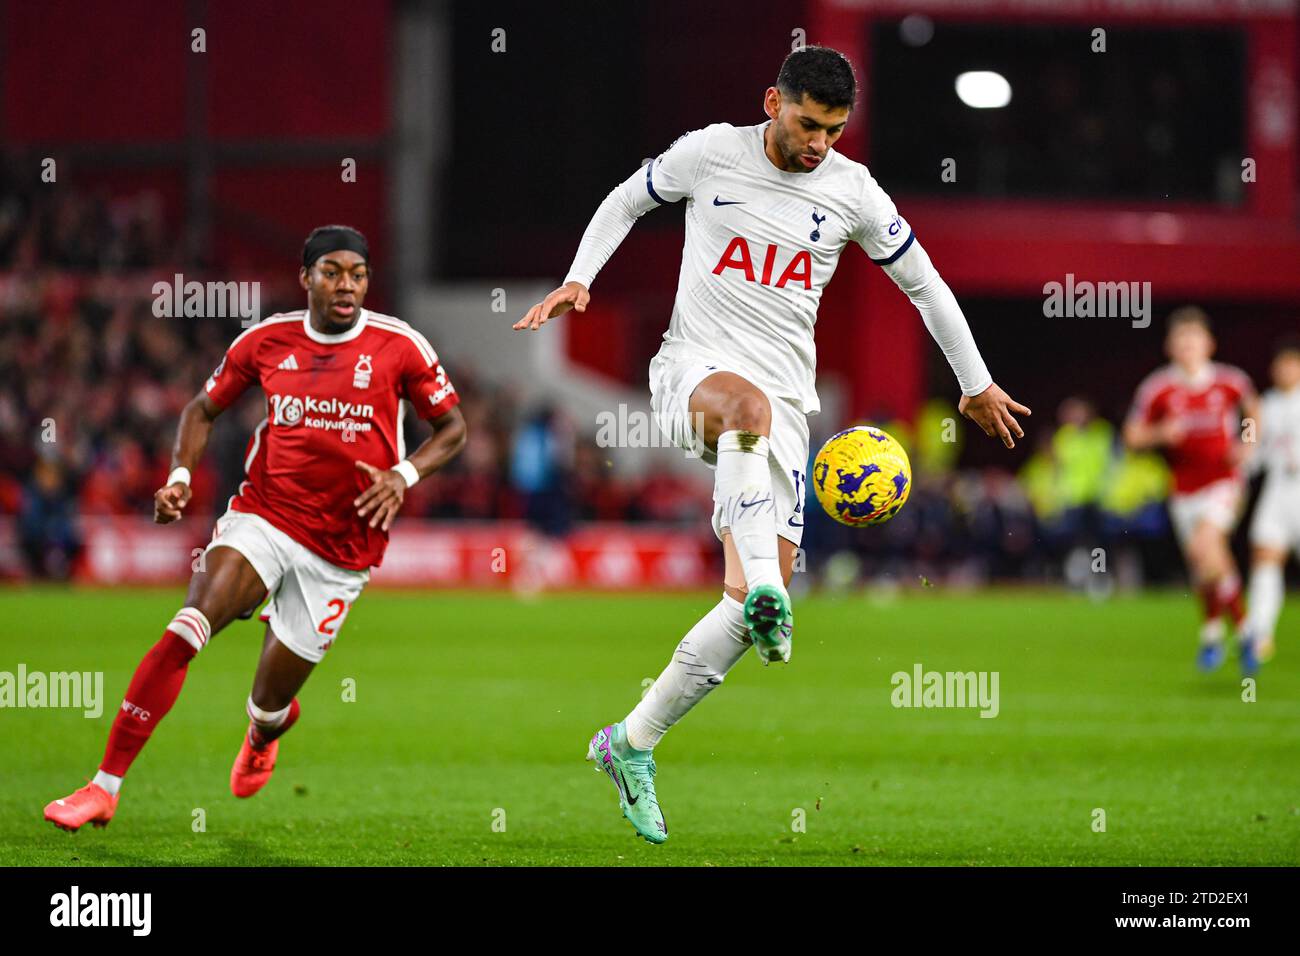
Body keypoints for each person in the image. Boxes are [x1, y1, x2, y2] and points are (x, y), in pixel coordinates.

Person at [515, 47, 1028, 843]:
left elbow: (926, 282)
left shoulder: (854, 191)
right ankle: (771, 594)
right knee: (747, 423)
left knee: (738, 612)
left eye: (833, 128)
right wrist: (583, 276)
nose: (818, 141)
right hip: (695, 373)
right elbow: (625, 201)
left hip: (787, 411)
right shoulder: (708, 151)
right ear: (772, 102)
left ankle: (630, 743)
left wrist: (973, 380)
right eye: (806, 122)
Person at [44, 225, 467, 831]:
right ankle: (103, 787)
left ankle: (265, 729)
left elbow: (453, 430)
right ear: (306, 279)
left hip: (343, 551)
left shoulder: (400, 346)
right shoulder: (266, 341)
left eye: (357, 274)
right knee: (186, 629)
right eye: (331, 272)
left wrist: (403, 474)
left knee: (268, 702)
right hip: (264, 517)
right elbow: (200, 408)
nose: (345, 285)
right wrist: (182, 476)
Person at [1123, 306, 1258, 673]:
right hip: (1183, 488)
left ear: (1209, 344)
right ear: (1170, 346)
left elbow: (1252, 414)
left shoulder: (1230, 381)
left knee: (1206, 546)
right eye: (1181, 341)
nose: (1188, 348)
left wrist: (1246, 444)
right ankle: (1217, 633)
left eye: (1194, 340)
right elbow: (1132, 436)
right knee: (1204, 568)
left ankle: (1244, 632)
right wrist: (1159, 434)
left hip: (1223, 482)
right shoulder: (1158, 388)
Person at [1240, 338, 1300, 670]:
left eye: (1292, 364)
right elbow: (1253, 449)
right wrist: (1241, 462)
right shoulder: (1264, 405)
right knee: (1265, 557)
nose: (1285, 371)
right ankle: (1259, 633)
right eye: (1280, 365)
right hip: (1278, 490)